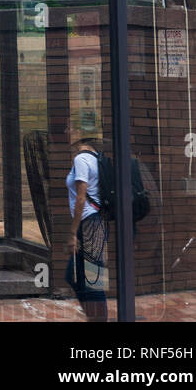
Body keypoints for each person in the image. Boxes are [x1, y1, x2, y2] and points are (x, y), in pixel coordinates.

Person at [66, 136, 110, 321]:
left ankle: (99, 319)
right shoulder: (96, 159)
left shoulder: (81, 159)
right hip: (95, 222)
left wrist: (73, 232)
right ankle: (94, 317)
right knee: (74, 275)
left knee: (93, 279)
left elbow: (81, 198)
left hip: (89, 222)